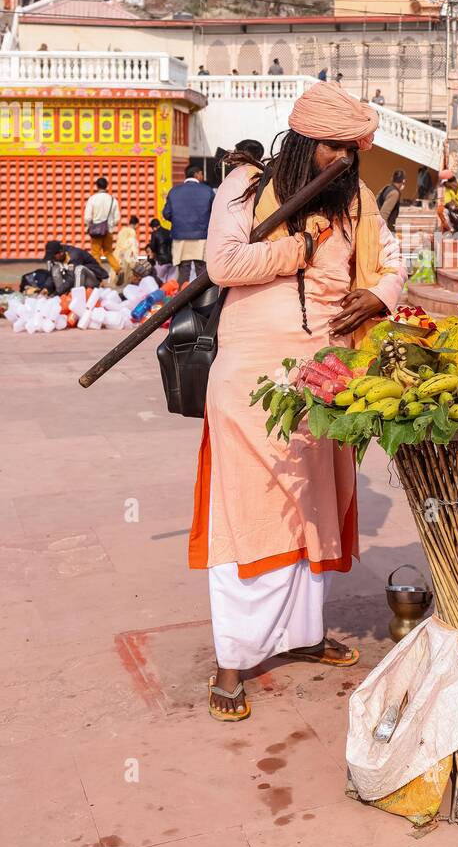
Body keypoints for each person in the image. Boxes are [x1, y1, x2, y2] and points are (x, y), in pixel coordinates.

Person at [191, 82, 407, 719]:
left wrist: (382, 296)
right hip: (249, 379)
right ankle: (232, 663)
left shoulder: (358, 201)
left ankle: (302, 635)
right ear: (304, 143)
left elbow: (391, 261)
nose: (342, 160)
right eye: (331, 149)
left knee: (310, 506)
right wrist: (299, 248)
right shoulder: (246, 188)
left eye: (351, 149)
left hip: (326, 376)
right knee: (245, 511)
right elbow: (225, 264)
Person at [162, 164, 215, 285]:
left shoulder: (174, 191)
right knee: (202, 270)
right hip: (202, 236)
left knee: (183, 271)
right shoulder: (207, 191)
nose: (202, 176)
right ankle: (203, 299)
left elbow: (166, 214)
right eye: (201, 173)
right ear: (196, 174)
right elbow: (215, 213)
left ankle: (182, 298)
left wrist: (178, 221)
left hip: (180, 237)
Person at [84, 177, 121, 276]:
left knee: (96, 254)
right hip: (108, 231)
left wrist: (88, 226)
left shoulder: (92, 199)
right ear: (107, 186)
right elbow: (117, 218)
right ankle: (118, 269)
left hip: (96, 231)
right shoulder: (113, 200)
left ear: (97, 186)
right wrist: (110, 225)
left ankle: (99, 275)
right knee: (108, 252)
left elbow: (87, 217)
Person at [41, 240, 107, 293]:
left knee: (79, 269)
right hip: (77, 280)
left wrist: (57, 293)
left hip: (91, 280)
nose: (52, 258)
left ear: (61, 253)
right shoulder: (57, 257)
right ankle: (63, 296)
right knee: (55, 268)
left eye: (53, 256)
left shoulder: (74, 255)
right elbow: (51, 275)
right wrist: (47, 288)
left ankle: (77, 298)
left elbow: (71, 279)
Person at [115, 216, 143, 287]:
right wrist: (135, 258)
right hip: (127, 253)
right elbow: (132, 244)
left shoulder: (122, 230)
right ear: (136, 224)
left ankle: (118, 281)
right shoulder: (132, 232)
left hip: (118, 253)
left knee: (120, 270)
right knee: (128, 274)